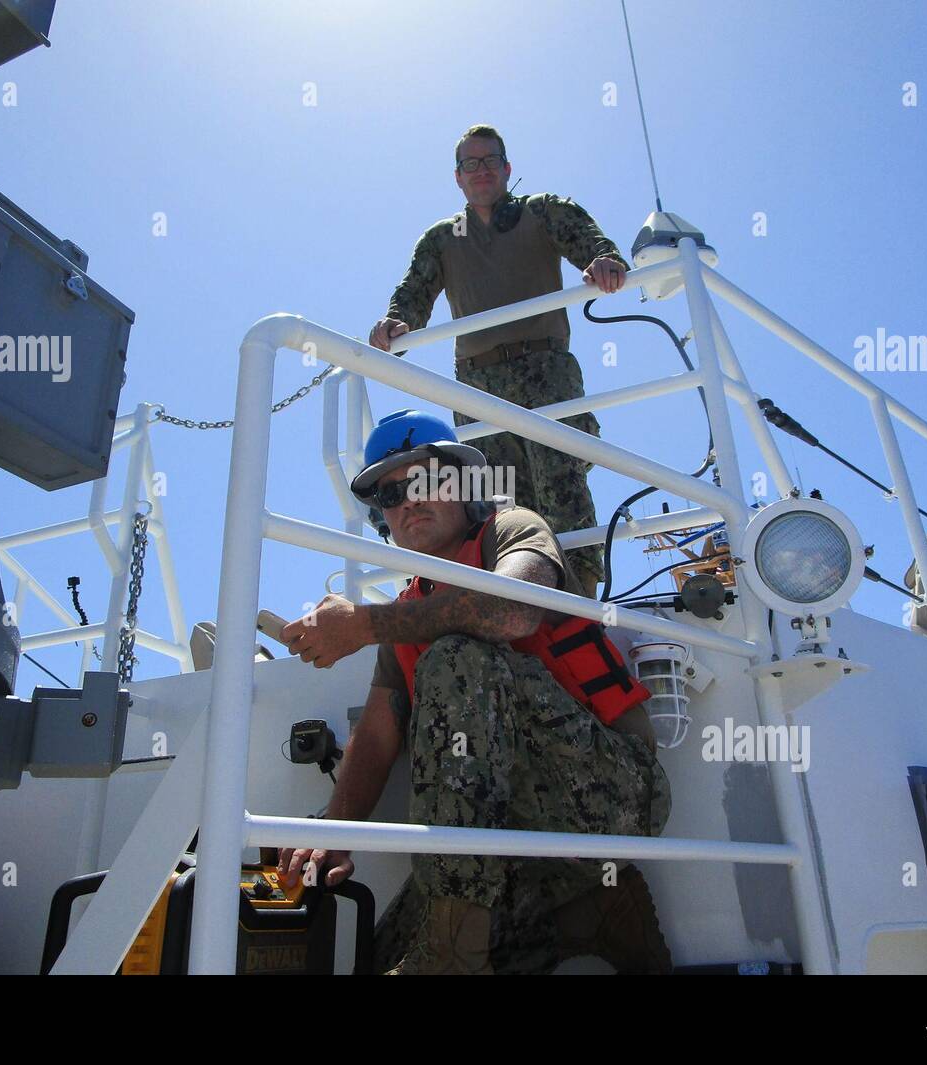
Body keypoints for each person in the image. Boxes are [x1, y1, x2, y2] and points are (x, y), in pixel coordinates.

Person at [278, 410, 671, 974]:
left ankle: (453, 955)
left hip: (617, 796)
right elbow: (378, 734)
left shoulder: (514, 531)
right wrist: (335, 832)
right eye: (390, 493)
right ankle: (595, 904)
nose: (407, 502)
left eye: (423, 481)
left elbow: (510, 609)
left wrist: (363, 625)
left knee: (457, 656)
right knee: (378, 957)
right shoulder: (406, 613)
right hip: (518, 841)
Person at [368, 124, 631, 599]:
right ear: (458, 177)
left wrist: (603, 261)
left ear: (507, 168)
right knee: (496, 499)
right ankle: (507, 602)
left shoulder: (542, 211)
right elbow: (412, 294)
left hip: (545, 371)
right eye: (472, 163)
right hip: (477, 384)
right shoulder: (443, 238)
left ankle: (579, 603)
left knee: (562, 485)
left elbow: (590, 242)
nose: (482, 170)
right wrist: (395, 324)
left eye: (491, 160)